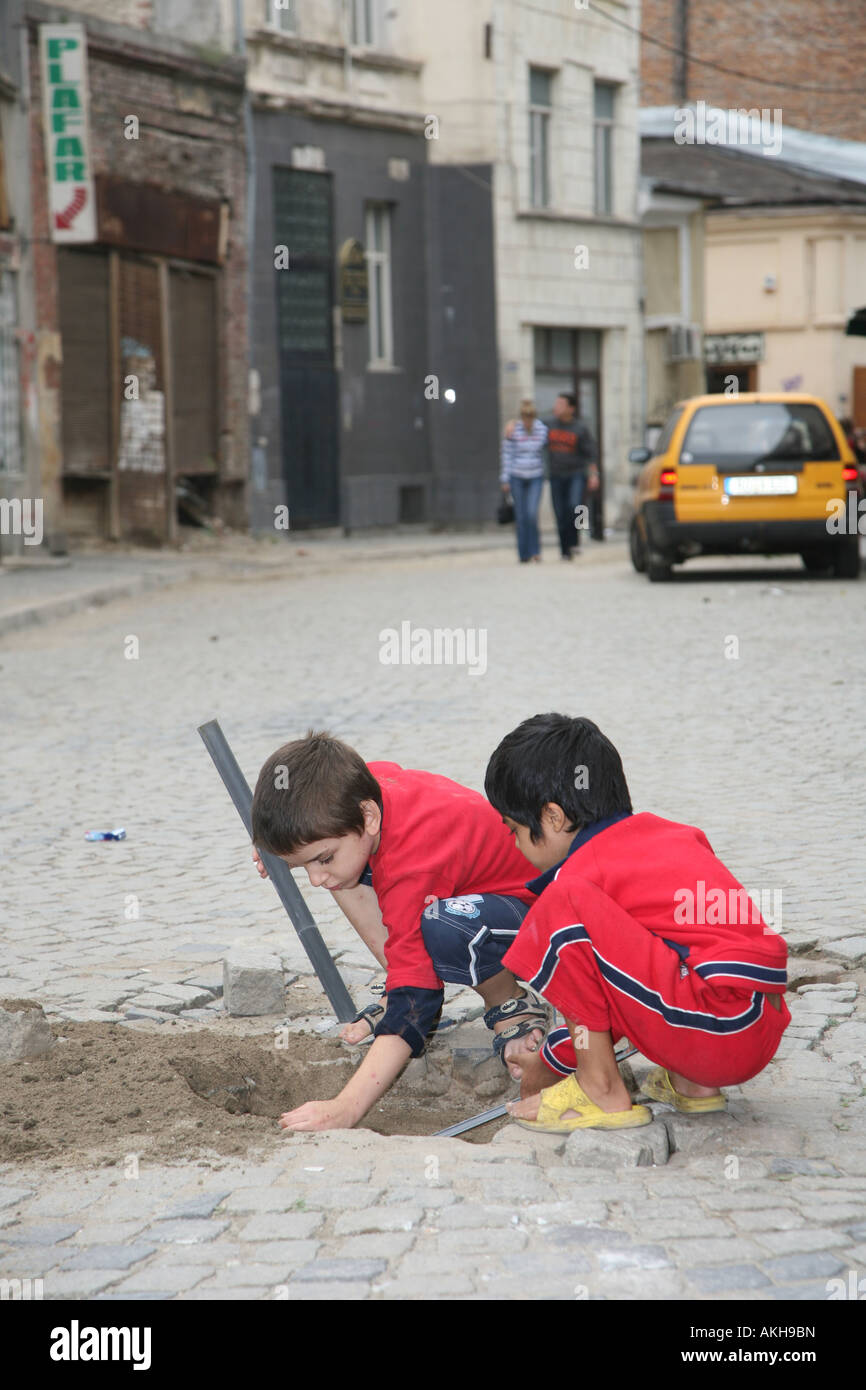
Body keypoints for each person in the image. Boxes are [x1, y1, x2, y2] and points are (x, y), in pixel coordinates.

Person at [483, 713, 789, 1133]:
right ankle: (694, 1084)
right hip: (756, 1026)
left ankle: (599, 1090)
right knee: (669, 953)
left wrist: (553, 1064)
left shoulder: (580, 878)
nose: (513, 843)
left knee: (560, 906)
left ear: (553, 818)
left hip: (714, 1030)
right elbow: (623, 992)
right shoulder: (673, 837)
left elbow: (593, 1007)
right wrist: (551, 1057)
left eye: (515, 829)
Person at [250, 732, 548, 1132]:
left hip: (535, 915)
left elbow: (419, 998)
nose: (315, 878)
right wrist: (279, 842)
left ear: (369, 816)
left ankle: (510, 1004)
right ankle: (398, 973)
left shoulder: (412, 860)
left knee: (442, 925)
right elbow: (321, 822)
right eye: (303, 866)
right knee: (347, 873)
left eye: (320, 859)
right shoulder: (359, 794)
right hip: (467, 891)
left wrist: (346, 1109)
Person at [545, 393, 600, 559]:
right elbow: (529, 427)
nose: (557, 407)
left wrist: (593, 475)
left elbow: (590, 454)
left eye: (561, 404)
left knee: (574, 506)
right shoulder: (548, 425)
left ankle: (575, 541)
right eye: (556, 404)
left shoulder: (580, 428)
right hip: (556, 474)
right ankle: (565, 550)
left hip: (576, 474)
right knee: (560, 512)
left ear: (571, 408)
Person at [500, 399, 546, 563]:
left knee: (532, 514)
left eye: (531, 416)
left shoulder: (541, 429)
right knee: (521, 516)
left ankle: (536, 550)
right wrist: (505, 479)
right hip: (517, 476)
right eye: (525, 416)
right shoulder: (513, 430)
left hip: (535, 476)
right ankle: (523, 553)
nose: (528, 419)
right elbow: (507, 455)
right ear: (521, 417)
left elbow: (547, 450)